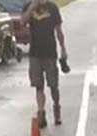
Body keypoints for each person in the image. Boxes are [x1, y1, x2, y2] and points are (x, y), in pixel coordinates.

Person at [21, 0, 67, 128]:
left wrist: (63, 49)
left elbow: (58, 30)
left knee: (53, 86)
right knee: (38, 85)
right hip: (35, 53)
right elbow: (22, 22)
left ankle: (56, 108)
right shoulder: (29, 6)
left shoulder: (52, 8)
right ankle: (41, 113)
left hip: (50, 52)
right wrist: (31, 8)